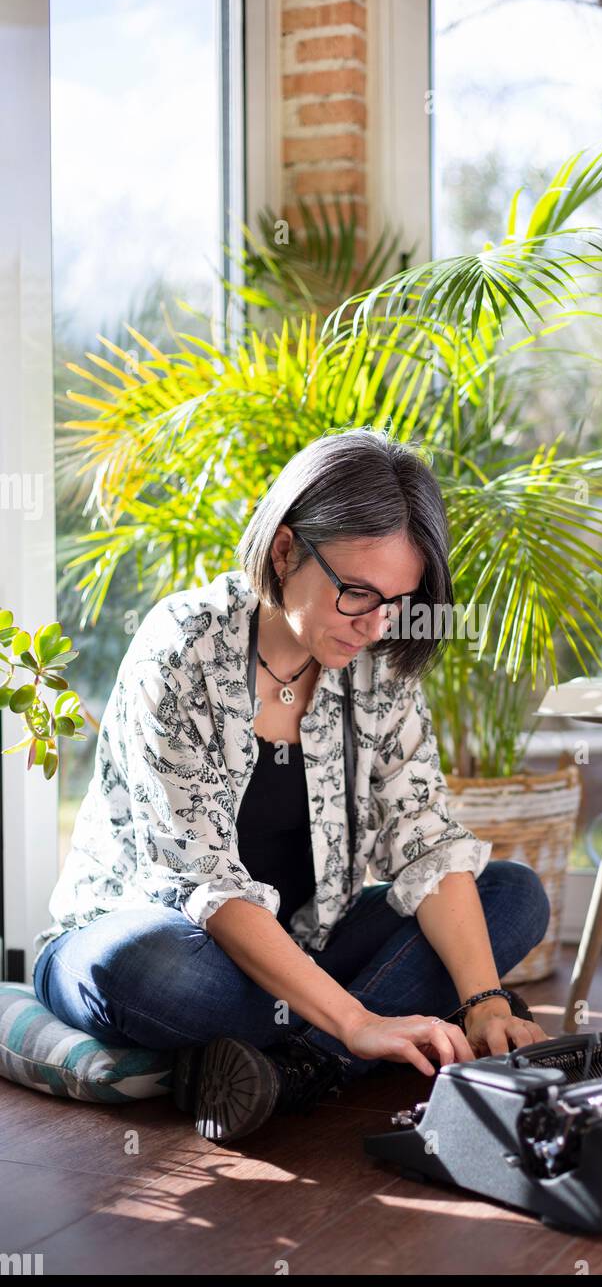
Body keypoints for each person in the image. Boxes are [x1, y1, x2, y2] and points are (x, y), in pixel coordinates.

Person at [32, 428, 552, 1143]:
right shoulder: (183, 646)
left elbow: (424, 840)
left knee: (513, 896)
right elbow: (205, 884)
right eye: (358, 593)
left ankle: (292, 1066)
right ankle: (343, 1037)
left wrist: (487, 999)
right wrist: (356, 1017)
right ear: (285, 549)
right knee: (150, 969)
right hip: (160, 940)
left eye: (398, 601)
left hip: (302, 945)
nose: (377, 625)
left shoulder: (378, 664)